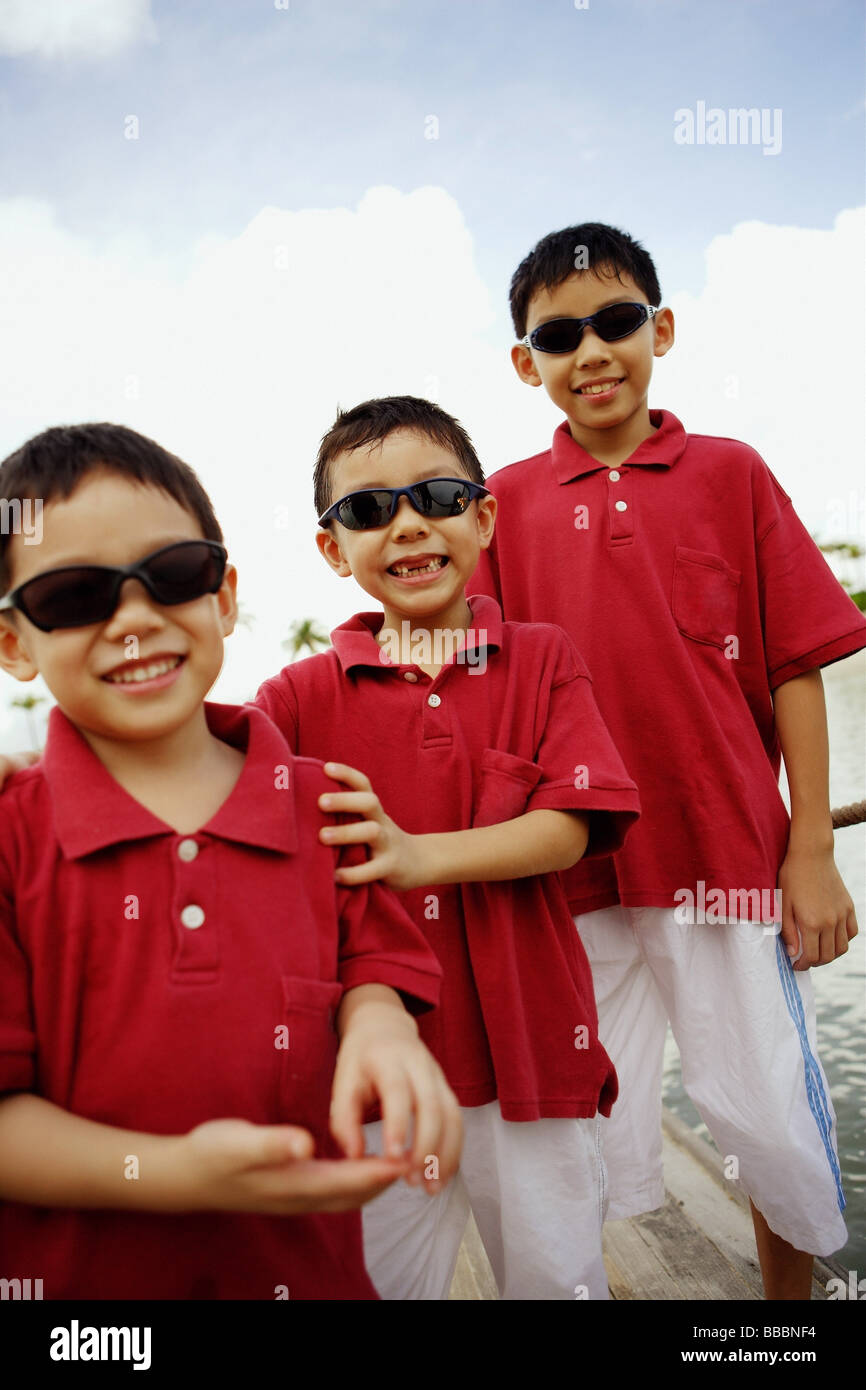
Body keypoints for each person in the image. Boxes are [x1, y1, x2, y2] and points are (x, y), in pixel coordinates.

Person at [466, 221, 866, 1299]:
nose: (590, 350)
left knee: (765, 1115)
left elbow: (793, 665)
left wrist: (811, 846)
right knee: (571, 1127)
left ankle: (788, 1316)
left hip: (727, 856)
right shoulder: (497, 506)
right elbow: (476, 693)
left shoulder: (729, 473)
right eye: (559, 334)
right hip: (568, 874)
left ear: (660, 327)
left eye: (614, 320)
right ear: (525, 362)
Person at [0, 422, 461, 1301]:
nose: (134, 618)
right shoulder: (12, 841)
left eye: (172, 575)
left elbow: (373, 963)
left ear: (222, 596)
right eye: (73, 595)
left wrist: (380, 1028)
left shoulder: (326, 800)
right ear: (15, 642)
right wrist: (176, 1174)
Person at [254, 395, 641, 1299]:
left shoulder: (544, 657)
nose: (407, 525)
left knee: (557, 1281)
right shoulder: (295, 697)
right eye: (367, 509)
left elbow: (570, 827)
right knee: (372, 1285)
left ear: (484, 514)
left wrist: (418, 855)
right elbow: (192, 769)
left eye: (436, 496)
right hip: (375, 1075)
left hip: (535, 1060)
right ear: (331, 547)